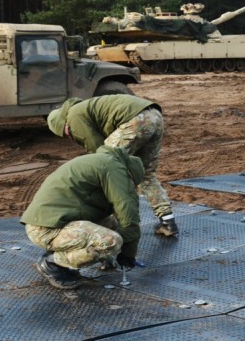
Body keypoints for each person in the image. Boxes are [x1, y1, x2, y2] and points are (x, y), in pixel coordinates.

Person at [46, 95, 178, 237]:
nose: (69, 137)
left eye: (64, 133)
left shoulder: (73, 117)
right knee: (147, 174)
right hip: (155, 117)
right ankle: (168, 221)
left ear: (62, 123)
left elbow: (98, 154)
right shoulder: (84, 108)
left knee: (107, 169)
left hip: (136, 120)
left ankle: (110, 222)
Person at [21, 146, 145, 290]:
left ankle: (65, 252)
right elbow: (128, 213)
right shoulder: (115, 169)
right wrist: (128, 254)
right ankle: (52, 263)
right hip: (46, 229)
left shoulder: (104, 162)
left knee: (110, 223)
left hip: (53, 221)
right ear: (130, 176)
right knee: (110, 241)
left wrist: (106, 256)